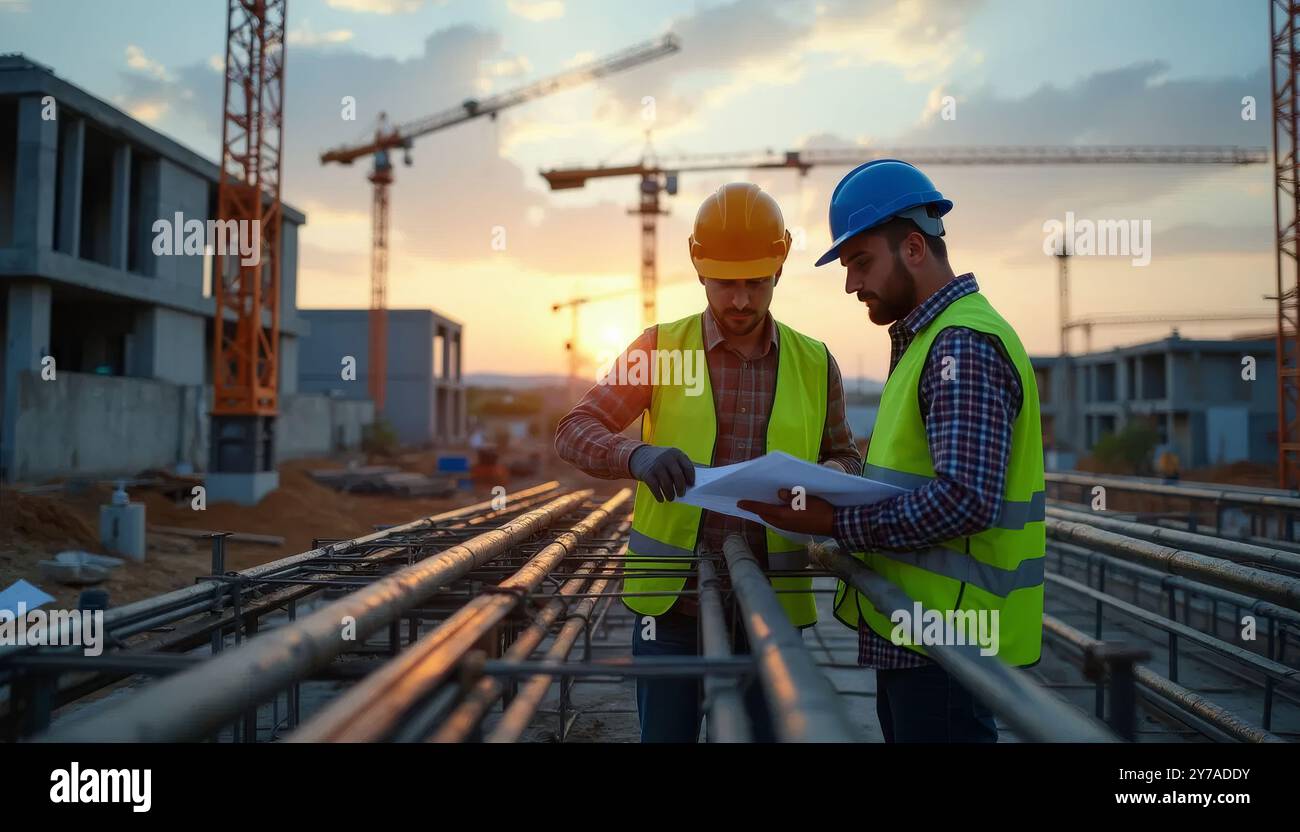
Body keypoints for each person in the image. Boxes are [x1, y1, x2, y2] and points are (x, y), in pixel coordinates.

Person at [740, 160, 1046, 743]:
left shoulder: (962, 346)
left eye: (860, 262)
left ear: (912, 247)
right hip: (922, 633)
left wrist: (832, 519)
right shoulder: (931, 338)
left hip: (947, 642)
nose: (851, 284)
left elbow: (965, 501)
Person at [554, 182, 860, 742]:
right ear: (699, 271)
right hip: (670, 606)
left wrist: (826, 480)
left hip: (773, 610)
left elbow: (846, 459)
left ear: (779, 271)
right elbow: (574, 431)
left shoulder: (816, 363)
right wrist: (636, 454)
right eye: (726, 284)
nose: (740, 300)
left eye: (755, 284)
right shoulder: (657, 350)